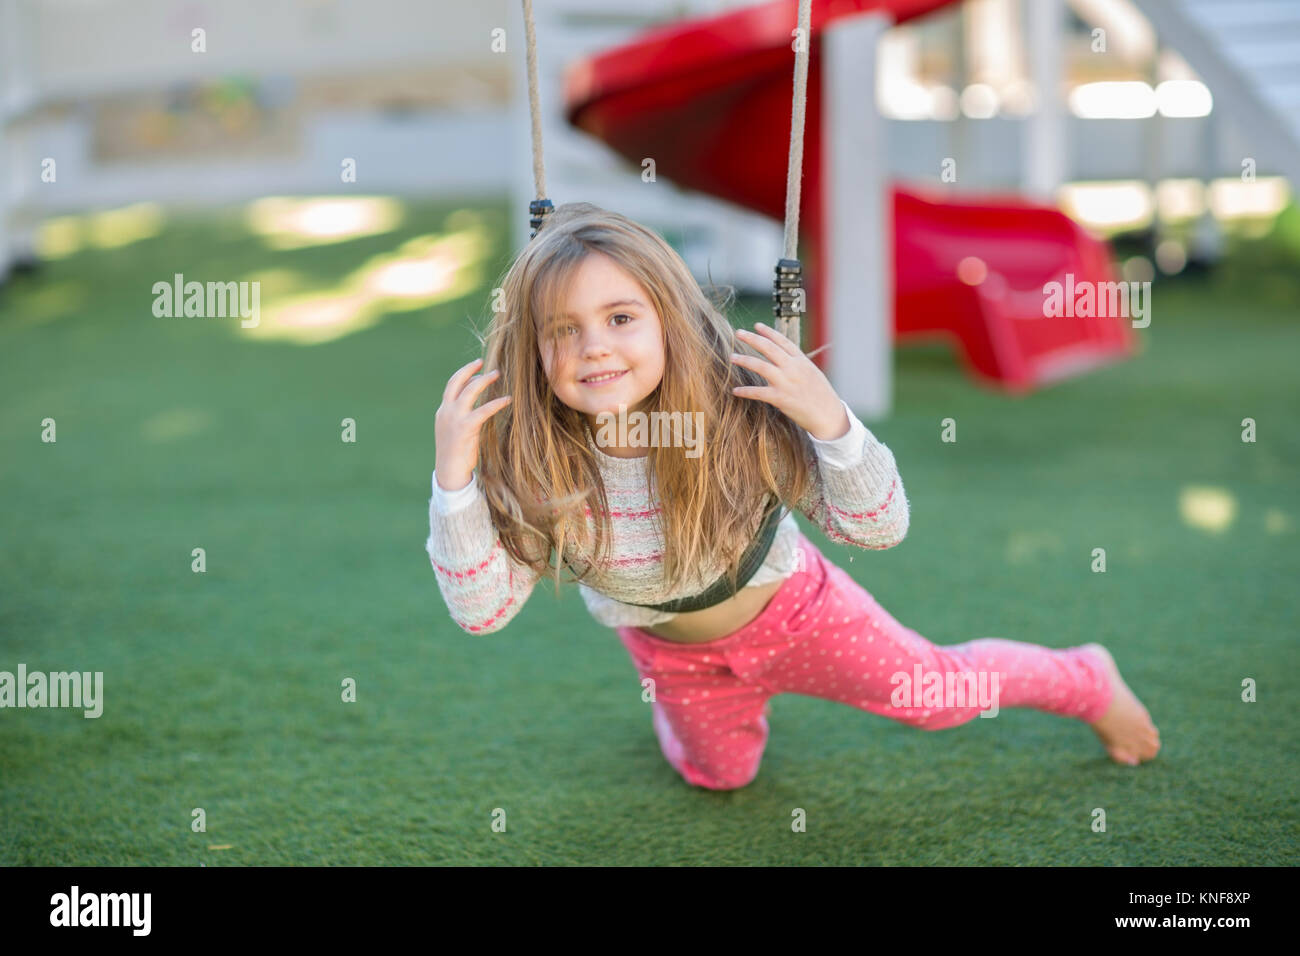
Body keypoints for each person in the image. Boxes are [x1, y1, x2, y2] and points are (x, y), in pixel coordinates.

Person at [426, 202, 1160, 790]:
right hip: (673, 656)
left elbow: (880, 529)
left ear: (668, 319)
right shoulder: (535, 459)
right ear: (534, 350)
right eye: (563, 330)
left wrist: (829, 422)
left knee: (936, 697)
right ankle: (689, 719)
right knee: (722, 777)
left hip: (803, 616)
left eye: (620, 318)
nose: (594, 347)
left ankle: (1088, 679)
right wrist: (455, 482)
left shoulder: (737, 414)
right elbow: (482, 613)